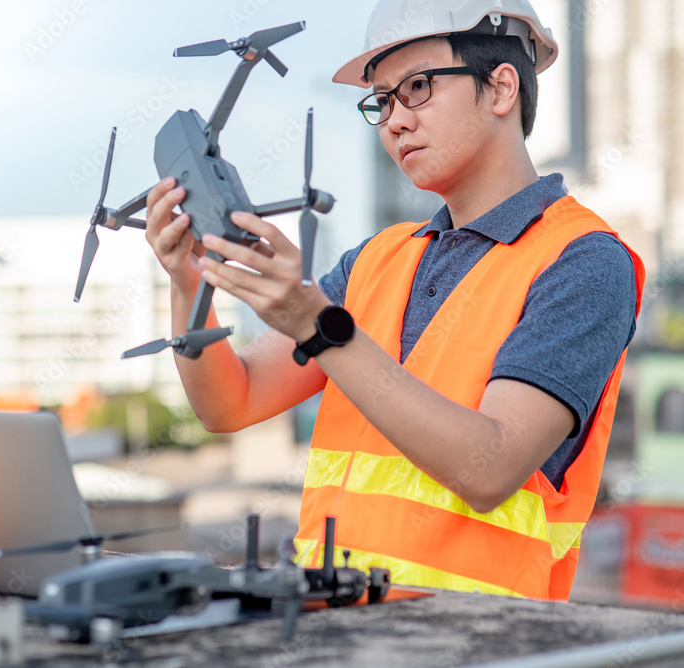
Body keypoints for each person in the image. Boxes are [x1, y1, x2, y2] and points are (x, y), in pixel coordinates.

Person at [143, 0, 645, 600]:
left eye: (418, 87)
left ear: (502, 87)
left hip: (479, 642)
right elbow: (230, 403)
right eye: (381, 102)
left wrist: (319, 326)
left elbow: (490, 468)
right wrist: (189, 282)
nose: (394, 122)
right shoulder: (376, 260)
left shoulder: (583, 262)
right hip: (331, 634)